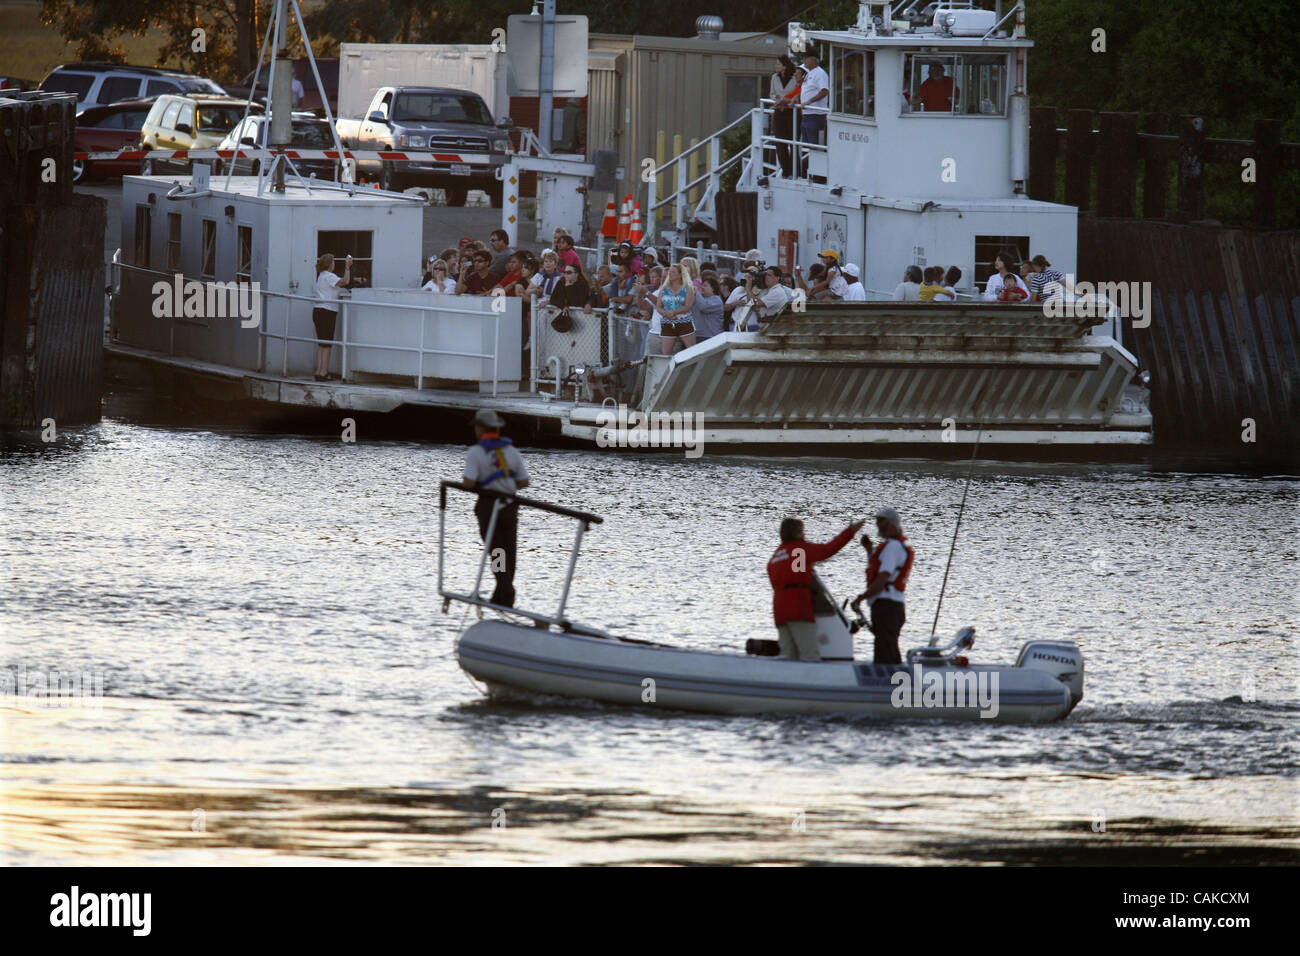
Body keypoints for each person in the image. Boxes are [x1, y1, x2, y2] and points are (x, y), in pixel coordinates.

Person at [767, 515, 866, 661]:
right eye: (802, 531)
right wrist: (850, 532)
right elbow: (828, 550)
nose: (805, 535)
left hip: (780, 609)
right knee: (809, 655)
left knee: (788, 656)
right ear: (798, 533)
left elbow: (794, 572)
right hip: (798, 608)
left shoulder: (776, 556)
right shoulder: (799, 550)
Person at [462, 408, 530, 608]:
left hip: (489, 505)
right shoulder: (511, 451)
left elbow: (468, 482)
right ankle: (502, 594)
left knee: (497, 552)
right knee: (509, 551)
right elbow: (524, 481)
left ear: (481, 429)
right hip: (510, 506)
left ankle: (506, 590)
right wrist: (506, 486)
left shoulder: (476, 452)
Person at [860, 507, 914, 665]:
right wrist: (869, 550)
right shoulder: (892, 546)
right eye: (876, 521)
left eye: (880, 521)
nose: (877, 524)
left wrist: (862, 597)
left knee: (885, 654)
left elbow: (883, 578)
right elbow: (881, 572)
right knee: (888, 649)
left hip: (886, 606)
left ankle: (891, 683)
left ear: (891, 523)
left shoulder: (893, 546)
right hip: (892, 606)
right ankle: (894, 682)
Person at [312, 253, 355, 382]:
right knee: (327, 343)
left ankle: (319, 371)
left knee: (321, 343)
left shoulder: (321, 276)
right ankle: (324, 372)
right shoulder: (329, 276)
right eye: (334, 262)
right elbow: (345, 281)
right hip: (327, 311)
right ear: (330, 264)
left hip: (318, 310)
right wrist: (347, 267)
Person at [648, 263, 696, 354]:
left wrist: (673, 312)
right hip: (668, 322)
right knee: (666, 353)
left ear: (680, 274)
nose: (670, 274)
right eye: (670, 271)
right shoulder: (664, 289)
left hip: (684, 321)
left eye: (673, 272)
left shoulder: (688, 288)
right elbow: (659, 306)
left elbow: (688, 306)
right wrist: (665, 314)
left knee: (692, 350)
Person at [798, 52, 829, 178]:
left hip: (816, 114)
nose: (804, 60)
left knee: (814, 144)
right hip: (807, 114)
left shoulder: (820, 73)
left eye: (806, 58)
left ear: (813, 59)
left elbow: (824, 91)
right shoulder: (809, 73)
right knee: (807, 144)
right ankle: (809, 171)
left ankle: (817, 174)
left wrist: (810, 101)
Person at [770, 54, 799, 178]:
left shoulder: (795, 78)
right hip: (779, 112)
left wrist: (785, 100)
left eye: (778, 64)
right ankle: (785, 171)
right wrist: (776, 100)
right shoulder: (774, 78)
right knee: (780, 143)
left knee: (793, 142)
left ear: (784, 66)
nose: (776, 66)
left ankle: (795, 171)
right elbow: (772, 93)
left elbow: (798, 93)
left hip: (791, 112)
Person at [692, 275, 725, 340]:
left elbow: (703, 307)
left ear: (713, 288)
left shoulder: (717, 300)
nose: (702, 287)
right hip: (697, 335)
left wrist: (697, 292)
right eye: (702, 285)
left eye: (705, 285)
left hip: (712, 336)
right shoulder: (699, 298)